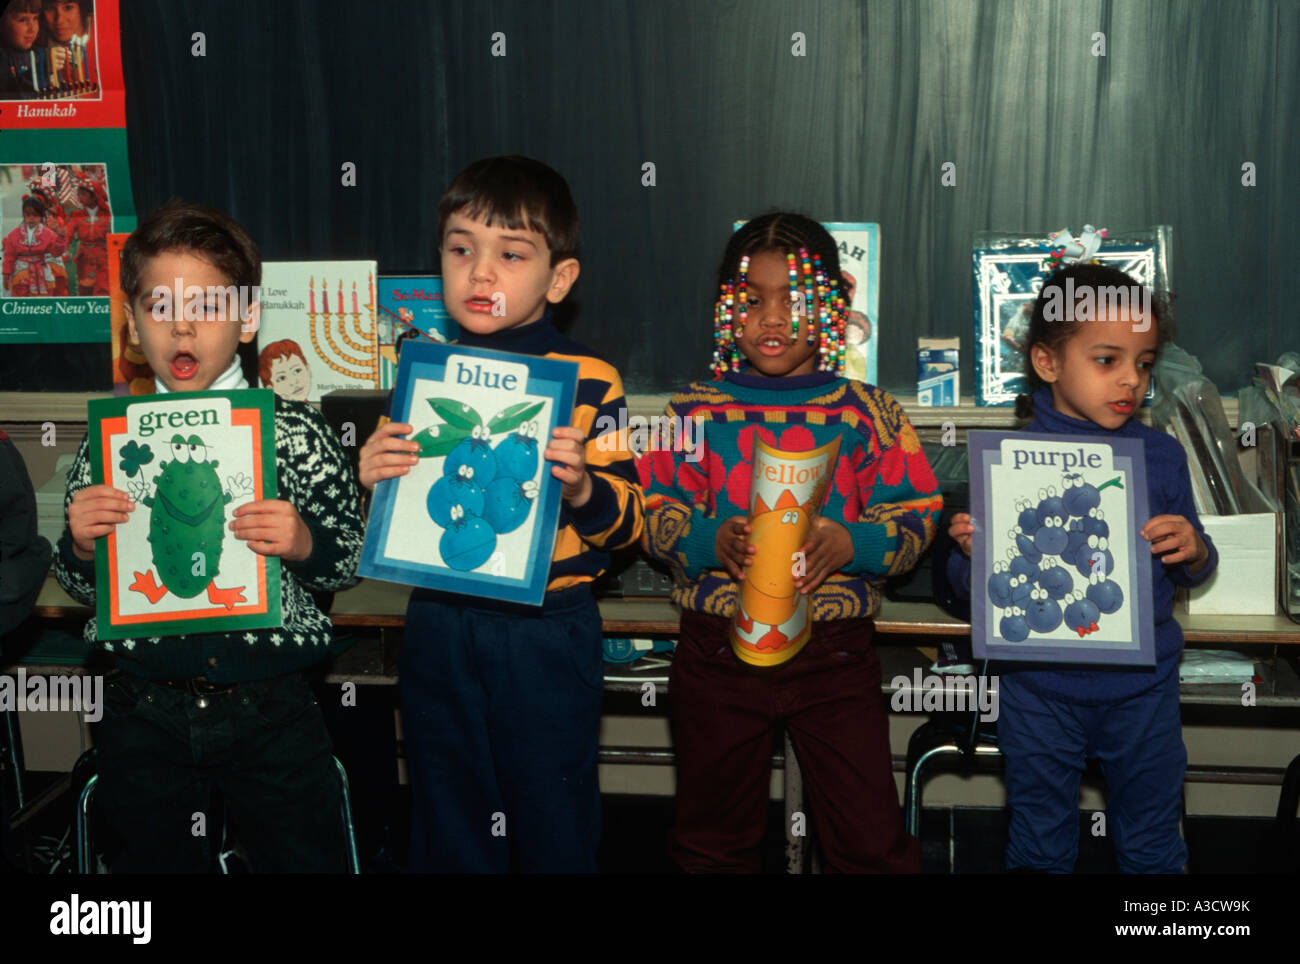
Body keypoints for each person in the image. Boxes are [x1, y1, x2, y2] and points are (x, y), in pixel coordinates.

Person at [52, 201, 365, 872]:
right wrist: (81, 547)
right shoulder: (112, 444)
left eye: (207, 305)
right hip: (145, 709)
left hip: (273, 707)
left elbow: (349, 561)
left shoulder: (295, 433)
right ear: (133, 324)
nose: (182, 324)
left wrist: (306, 543)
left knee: (303, 859)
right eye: (158, 306)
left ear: (248, 319)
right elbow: (83, 586)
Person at [358, 155, 644, 873]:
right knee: (448, 813)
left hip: (546, 631)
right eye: (461, 250)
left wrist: (582, 490)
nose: (480, 274)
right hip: (440, 624)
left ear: (559, 279)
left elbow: (631, 522)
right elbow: (415, 511)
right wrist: (375, 478)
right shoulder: (425, 377)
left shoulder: (591, 379)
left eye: (510, 255)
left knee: (552, 815)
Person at [639, 212, 941, 872]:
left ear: (835, 309)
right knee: (712, 842)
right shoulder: (692, 411)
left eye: (796, 300)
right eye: (751, 301)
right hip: (717, 650)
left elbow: (918, 514)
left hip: (834, 657)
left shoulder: (869, 411)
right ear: (727, 311)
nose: (771, 318)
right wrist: (706, 538)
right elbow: (653, 506)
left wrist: (854, 545)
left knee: (869, 841)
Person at [941, 262, 1218, 873]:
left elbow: (1193, 571)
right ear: (1047, 363)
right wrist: (968, 558)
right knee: (1040, 843)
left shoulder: (1162, 456)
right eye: (1106, 360)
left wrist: (1194, 548)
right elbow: (968, 596)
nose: (1131, 381)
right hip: (1038, 693)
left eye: (1144, 364)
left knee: (1151, 842)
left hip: (1142, 692)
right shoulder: (1004, 463)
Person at [2, 195, 66, 296]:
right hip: (21, 274)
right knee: (21, 302)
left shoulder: (48, 233)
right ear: (23, 215)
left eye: (35, 215)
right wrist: (6, 275)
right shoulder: (14, 234)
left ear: (41, 216)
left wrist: (60, 236)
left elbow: (56, 252)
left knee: (43, 303)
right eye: (28, 215)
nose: (31, 218)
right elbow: (9, 256)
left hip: (42, 273)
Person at [65, 179, 109, 295]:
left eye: (83, 194)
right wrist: (63, 247)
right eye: (79, 194)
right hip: (84, 258)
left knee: (103, 288)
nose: (80, 197)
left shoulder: (107, 215)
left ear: (94, 197)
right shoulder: (77, 215)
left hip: (102, 257)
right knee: (85, 289)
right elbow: (68, 233)